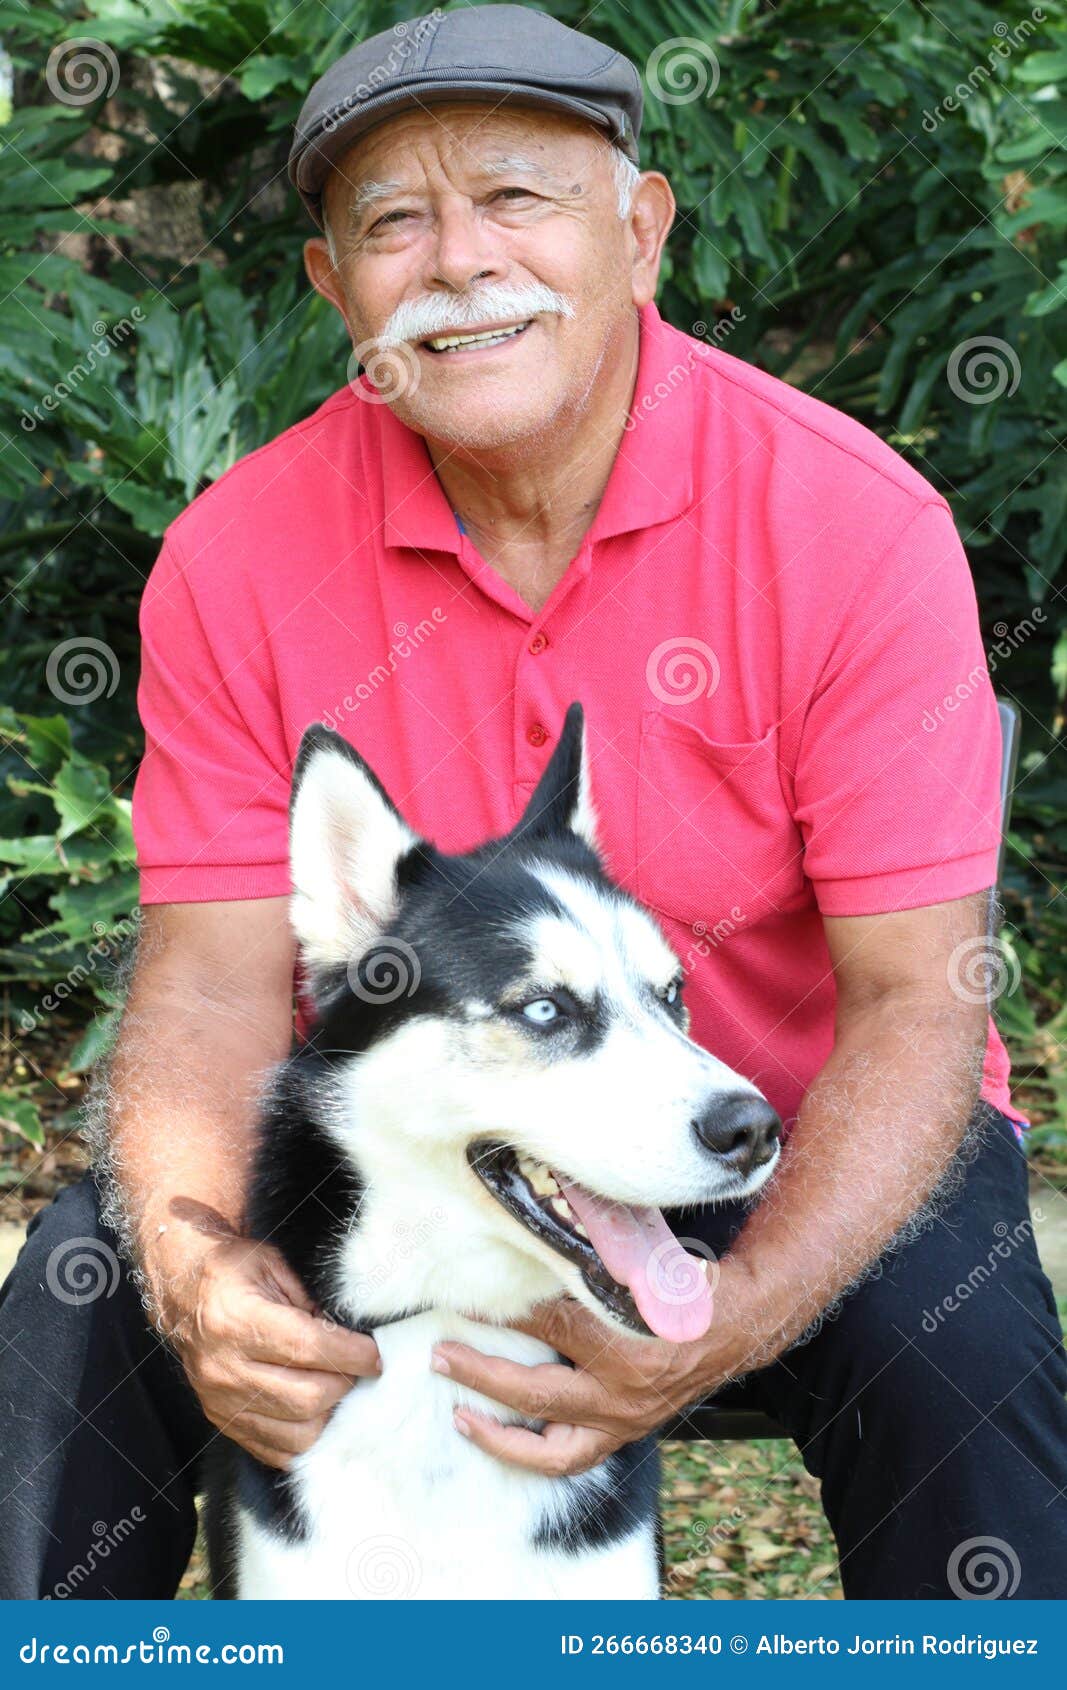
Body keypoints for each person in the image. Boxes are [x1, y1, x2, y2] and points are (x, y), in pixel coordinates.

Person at [2, 5, 1064, 1601]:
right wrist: (197, 1254)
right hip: (431, 1143)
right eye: (393, 225)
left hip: (776, 1133)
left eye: (517, 198)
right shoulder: (238, 552)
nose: (457, 262)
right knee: (90, 1293)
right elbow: (212, 984)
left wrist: (733, 1305)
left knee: (956, 1339)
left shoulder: (851, 526)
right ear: (334, 289)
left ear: (639, 234)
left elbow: (918, 1006)